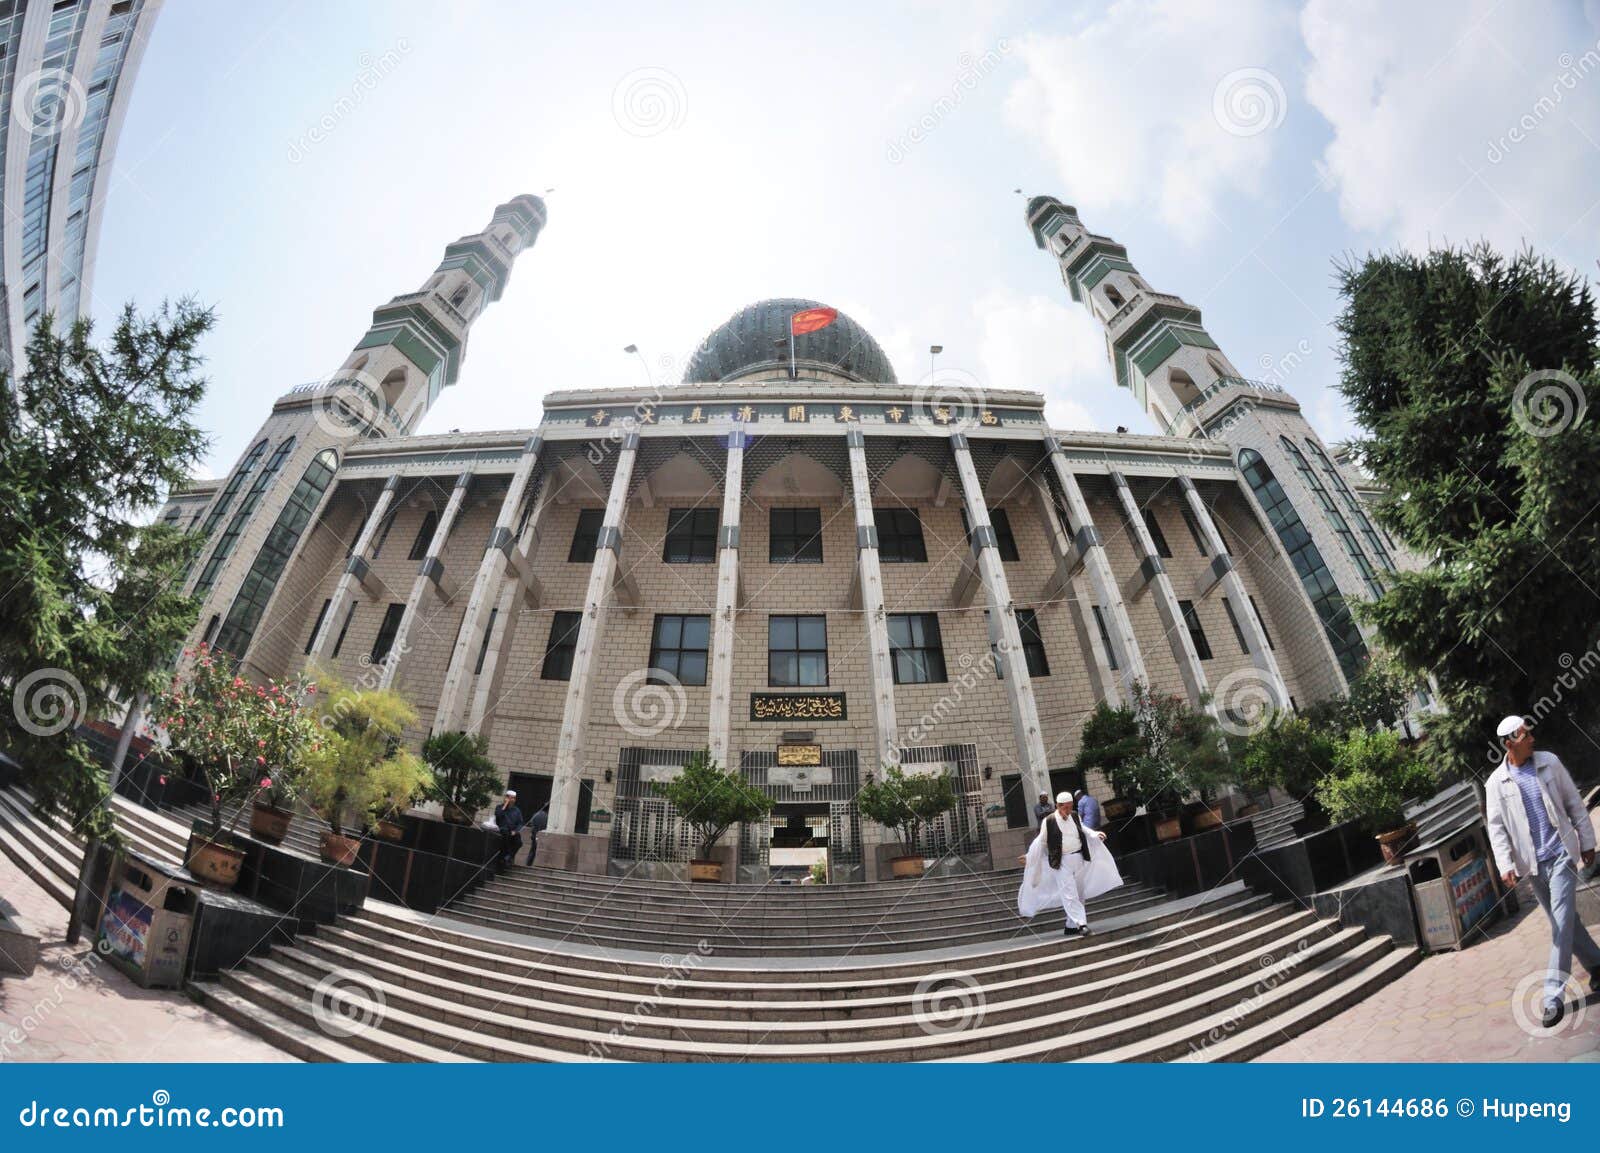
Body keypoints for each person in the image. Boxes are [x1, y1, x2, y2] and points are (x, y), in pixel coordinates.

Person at [1484, 715, 1599, 1028]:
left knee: (1560, 926)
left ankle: (1552, 998)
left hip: (1561, 855)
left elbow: (1574, 803)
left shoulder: (1549, 763)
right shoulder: (1495, 783)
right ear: (1510, 743)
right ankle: (1597, 966)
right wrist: (1505, 865)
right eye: (1525, 735)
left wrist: (1587, 842)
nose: (1532, 739)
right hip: (1532, 866)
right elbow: (1496, 829)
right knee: (1566, 922)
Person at [1018, 791, 1122, 936]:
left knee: (1079, 893)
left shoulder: (1074, 815)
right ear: (1058, 806)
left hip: (1078, 859)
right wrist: (1030, 857)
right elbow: (1040, 842)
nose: (1068, 810)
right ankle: (1081, 925)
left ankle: (1070, 925)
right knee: (1069, 894)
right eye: (1065, 807)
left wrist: (1094, 834)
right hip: (1061, 863)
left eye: (1070, 806)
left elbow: (1083, 828)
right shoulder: (1049, 821)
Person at [493, 789, 524, 866]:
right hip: (502, 830)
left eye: (513, 798)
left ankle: (508, 856)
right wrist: (505, 804)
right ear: (506, 798)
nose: (512, 800)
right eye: (510, 798)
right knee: (505, 835)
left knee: (519, 842)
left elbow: (520, 823)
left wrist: (516, 831)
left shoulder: (517, 810)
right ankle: (506, 857)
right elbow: (498, 815)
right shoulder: (499, 807)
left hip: (512, 831)